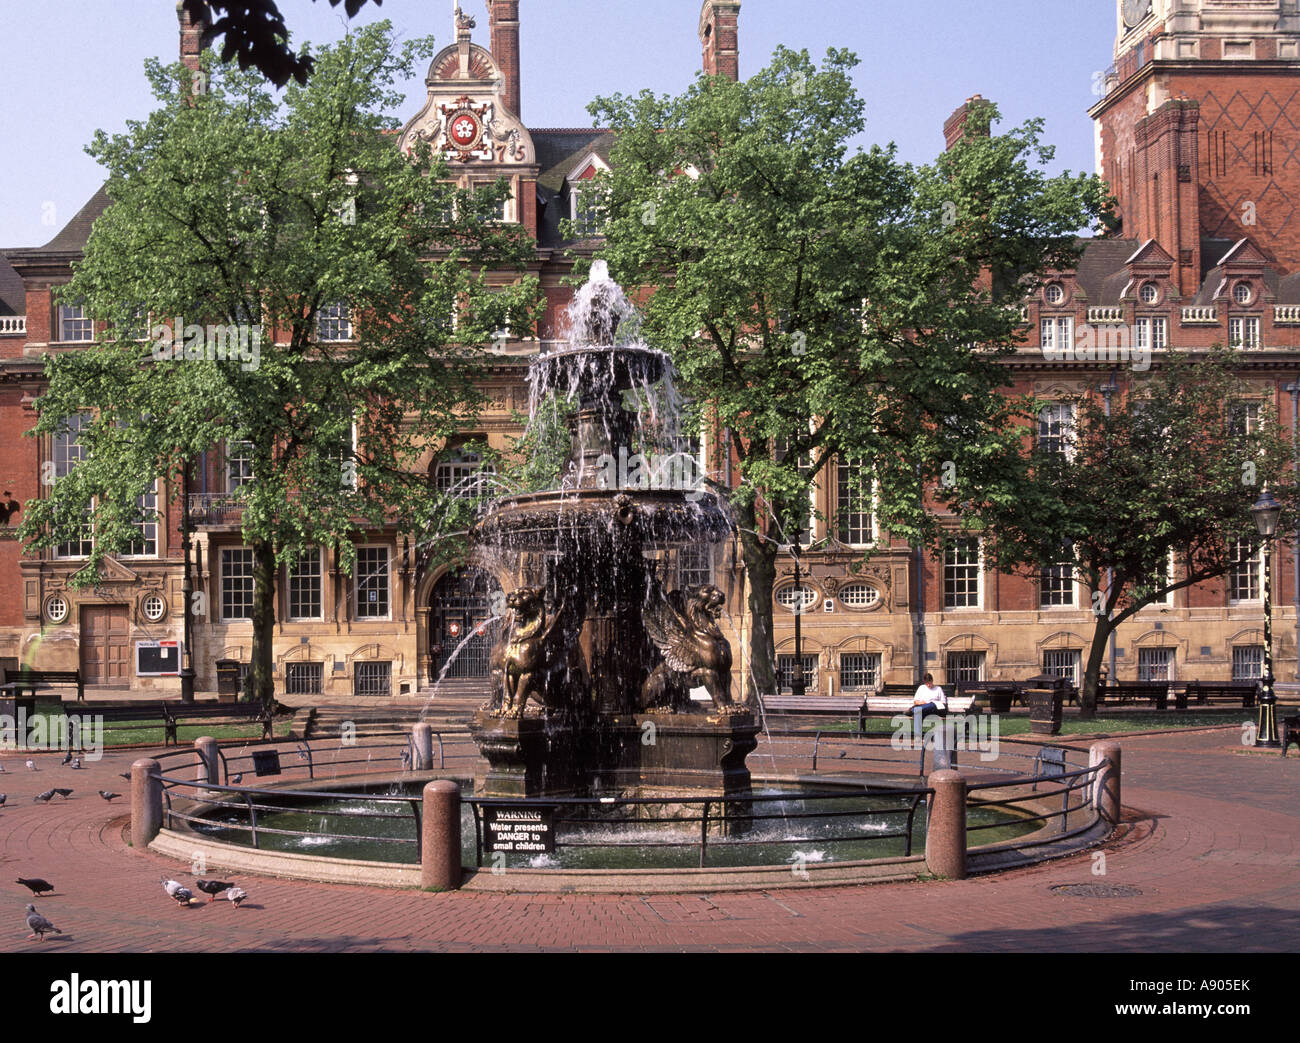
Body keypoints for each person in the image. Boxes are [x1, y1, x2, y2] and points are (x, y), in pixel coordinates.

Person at [912, 673, 947, 747]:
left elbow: (943, 702)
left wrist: (932, 703)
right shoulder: (921, 688)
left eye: (929, 683)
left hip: (935, 709)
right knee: (918, 713)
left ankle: (912, 710)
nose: (928, 685)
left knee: (931, 704)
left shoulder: (938, 689)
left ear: (932, 681)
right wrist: (921, 702)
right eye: (926, 683)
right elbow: (915, 701)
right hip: (923, 709)